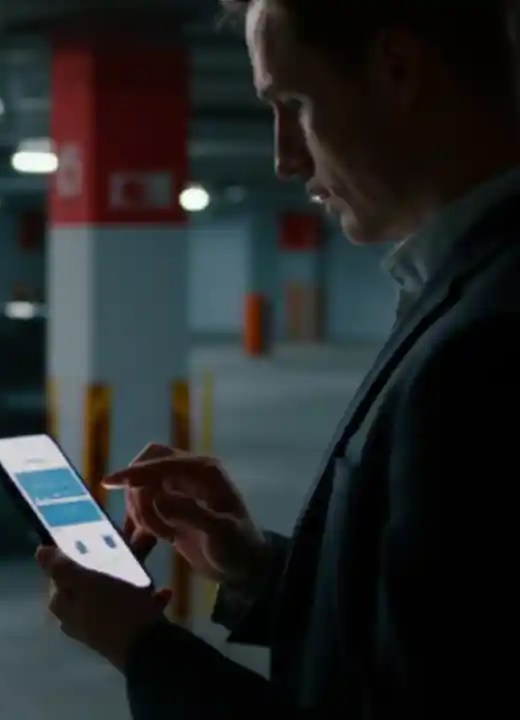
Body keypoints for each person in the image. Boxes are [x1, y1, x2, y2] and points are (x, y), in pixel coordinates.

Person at [35, 0, 520, 717]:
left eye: (294, 104)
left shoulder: (487, 344)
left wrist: (143, 648)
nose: (285, 157)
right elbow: (437, 626)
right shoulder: (460, 290)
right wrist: (260, 569)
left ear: (398, 69)